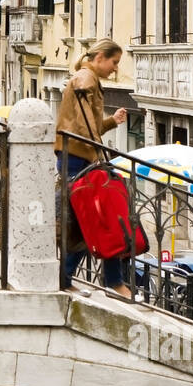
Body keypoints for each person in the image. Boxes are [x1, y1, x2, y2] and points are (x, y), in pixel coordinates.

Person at [54, 38, 128, 296]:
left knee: (91, 220)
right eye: (114, 62)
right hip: (76, 157)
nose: (115, 68)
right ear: (99, 58)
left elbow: (87, 125)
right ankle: (110, 281)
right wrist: (99, 155)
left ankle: (81, 279)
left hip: (77, 155)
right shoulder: (87, 79)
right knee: (91, 220)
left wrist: (111, 122)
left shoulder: (86, 78)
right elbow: (85, 126)